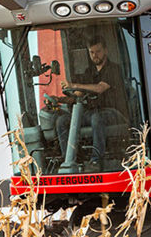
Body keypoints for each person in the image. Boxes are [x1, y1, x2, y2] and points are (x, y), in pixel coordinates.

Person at [55, 34, 128, 170]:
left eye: (98, 51)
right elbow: (77, 95)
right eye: (91, 52)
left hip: (113, 113)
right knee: (62, 121)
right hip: (90, 113)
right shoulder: (89, 72)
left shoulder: (113, 69)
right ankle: (69, 159)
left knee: (97, 118)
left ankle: (96, 161)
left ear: (105, 50)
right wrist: (58, 100)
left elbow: (100, 88)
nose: (95, 55)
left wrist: (75, 85)